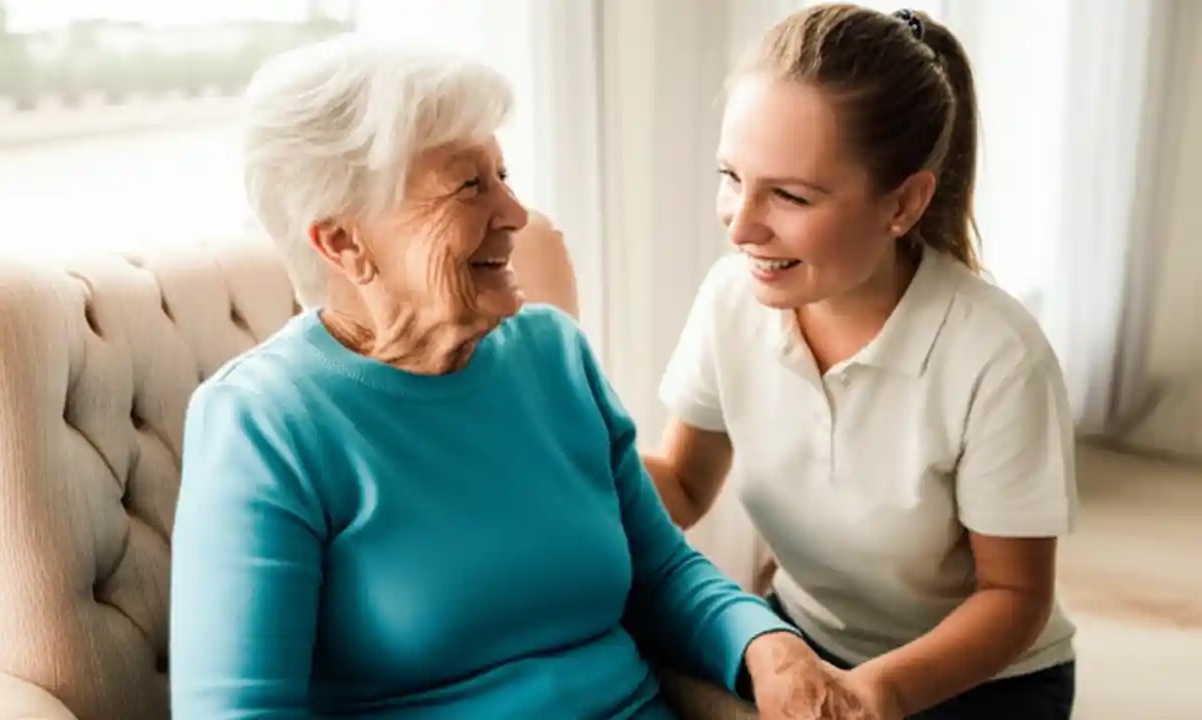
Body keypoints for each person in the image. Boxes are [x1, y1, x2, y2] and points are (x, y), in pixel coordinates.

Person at [169, 35, 870, 719]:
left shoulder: (552, 355)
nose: (513, 214)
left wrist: (767, 644)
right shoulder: (263, 423)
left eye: (502, 175)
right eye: (469, 186)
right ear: (344, 242)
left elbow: (661, 575)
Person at [645, 5, 1078, 719]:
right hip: (805, 636)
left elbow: (1015, 598)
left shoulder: (998, 356)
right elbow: (684, 485)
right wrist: (568, 463)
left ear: (903, 203)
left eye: (789, 194)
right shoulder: (730, 299)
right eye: (731, 176)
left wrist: (877, 693)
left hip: (981, 680)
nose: (741, 223)